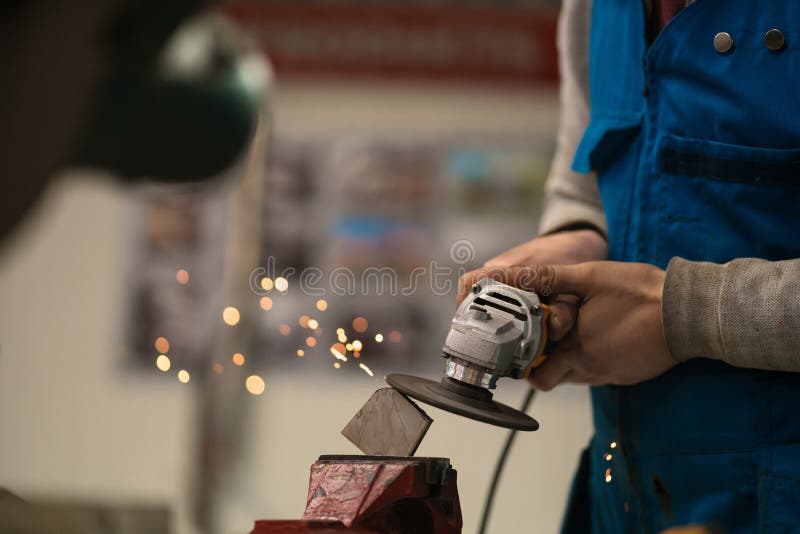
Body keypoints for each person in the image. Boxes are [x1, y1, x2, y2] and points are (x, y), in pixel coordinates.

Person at [460, 1, 800, 532]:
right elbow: (585, 187)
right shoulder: (595, 8)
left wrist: (684, 313)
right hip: (626, 495)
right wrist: (570, 241)